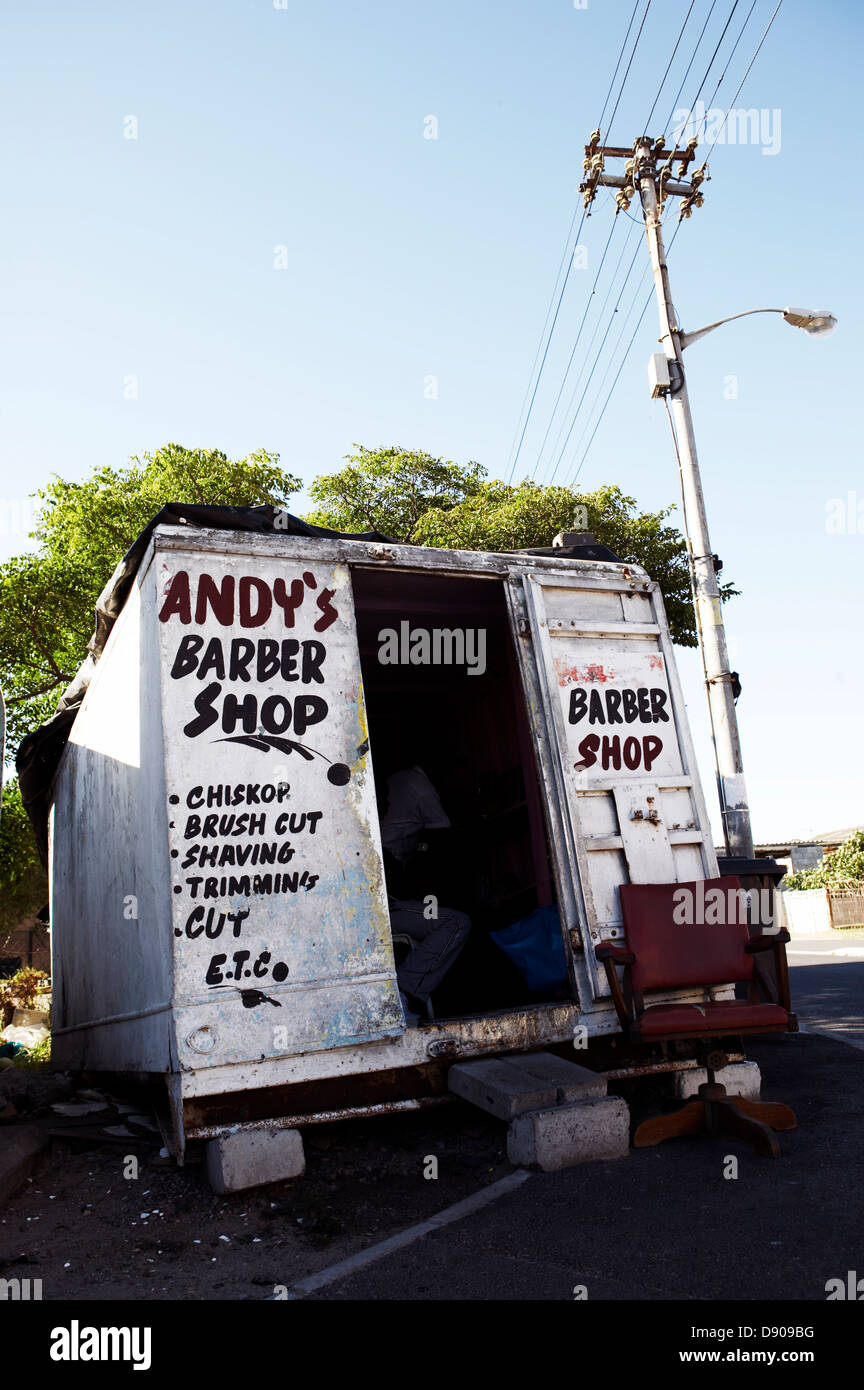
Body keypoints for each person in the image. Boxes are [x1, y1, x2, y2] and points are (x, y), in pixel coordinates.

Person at [378, 764, 471, 1023]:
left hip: (382, 889)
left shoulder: (397, 779)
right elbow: (443, 831)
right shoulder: (419, 785)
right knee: (455, 923)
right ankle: (402, 996)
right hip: (380, 896)